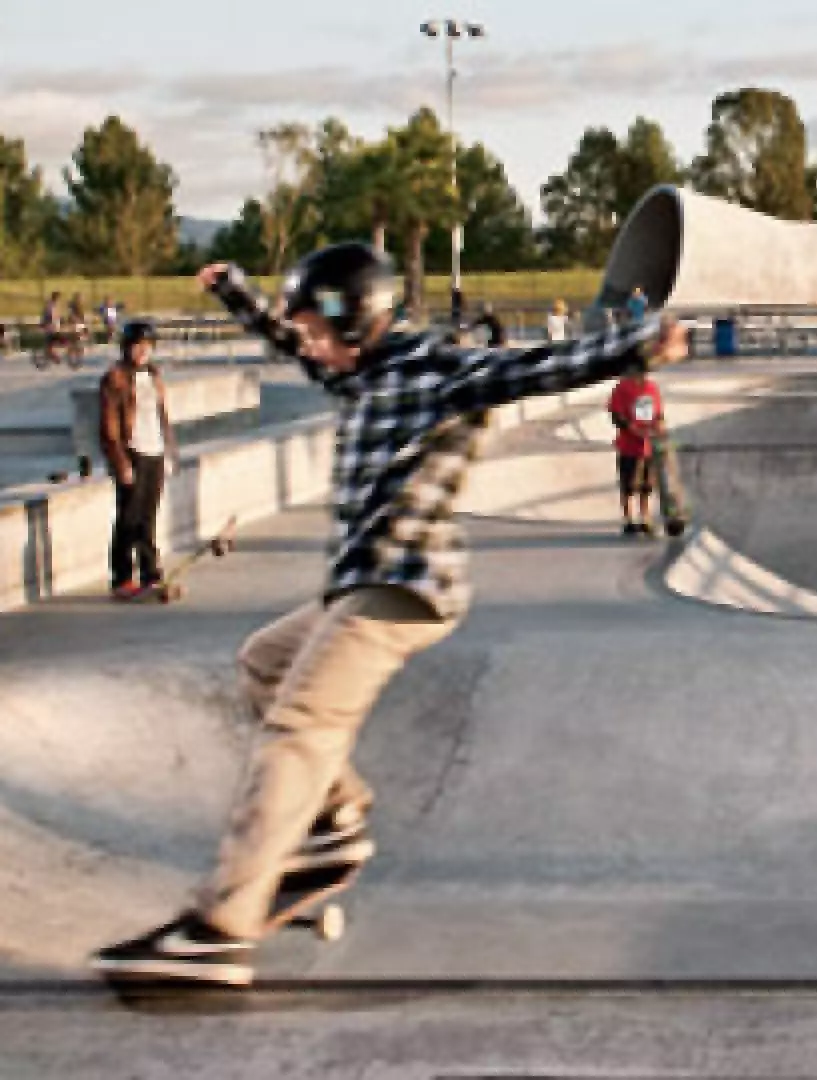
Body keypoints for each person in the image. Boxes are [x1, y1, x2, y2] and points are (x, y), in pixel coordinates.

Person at [89, 243, 687, 986]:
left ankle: (221, 925)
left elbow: (531, 369)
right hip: (358, 587)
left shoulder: (433, 370)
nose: (306, 348)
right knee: (266, 661)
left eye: (315, 332)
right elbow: (286, 339)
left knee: (300, 727)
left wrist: (634, 343)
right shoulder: (357, 367)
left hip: (398, 590)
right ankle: (336, 820)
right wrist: (236, 294)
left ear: (354, 322)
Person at [99, 321, 176, 600]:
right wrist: (121, 463)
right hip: (132, 452)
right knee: (128, 518)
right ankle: (121, 577)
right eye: (137, 345)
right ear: (126, 347)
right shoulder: (115, 378)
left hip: (154, 451)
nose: (143, 351)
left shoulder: (154, 375)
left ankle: (150, 574)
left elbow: (161, 417)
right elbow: (109, 428)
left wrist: (168, 453)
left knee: (147, 517)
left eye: (148, 345)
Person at [607, 357, 666, 537]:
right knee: (628, 485)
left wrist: (660, 428)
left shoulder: (651, 388)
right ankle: (628, 520)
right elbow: (615, 415)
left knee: (647, 485)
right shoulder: (622, 388)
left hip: (648, 445)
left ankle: (645, 519)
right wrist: (631, 428)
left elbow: (659, 413)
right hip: (628, 445)